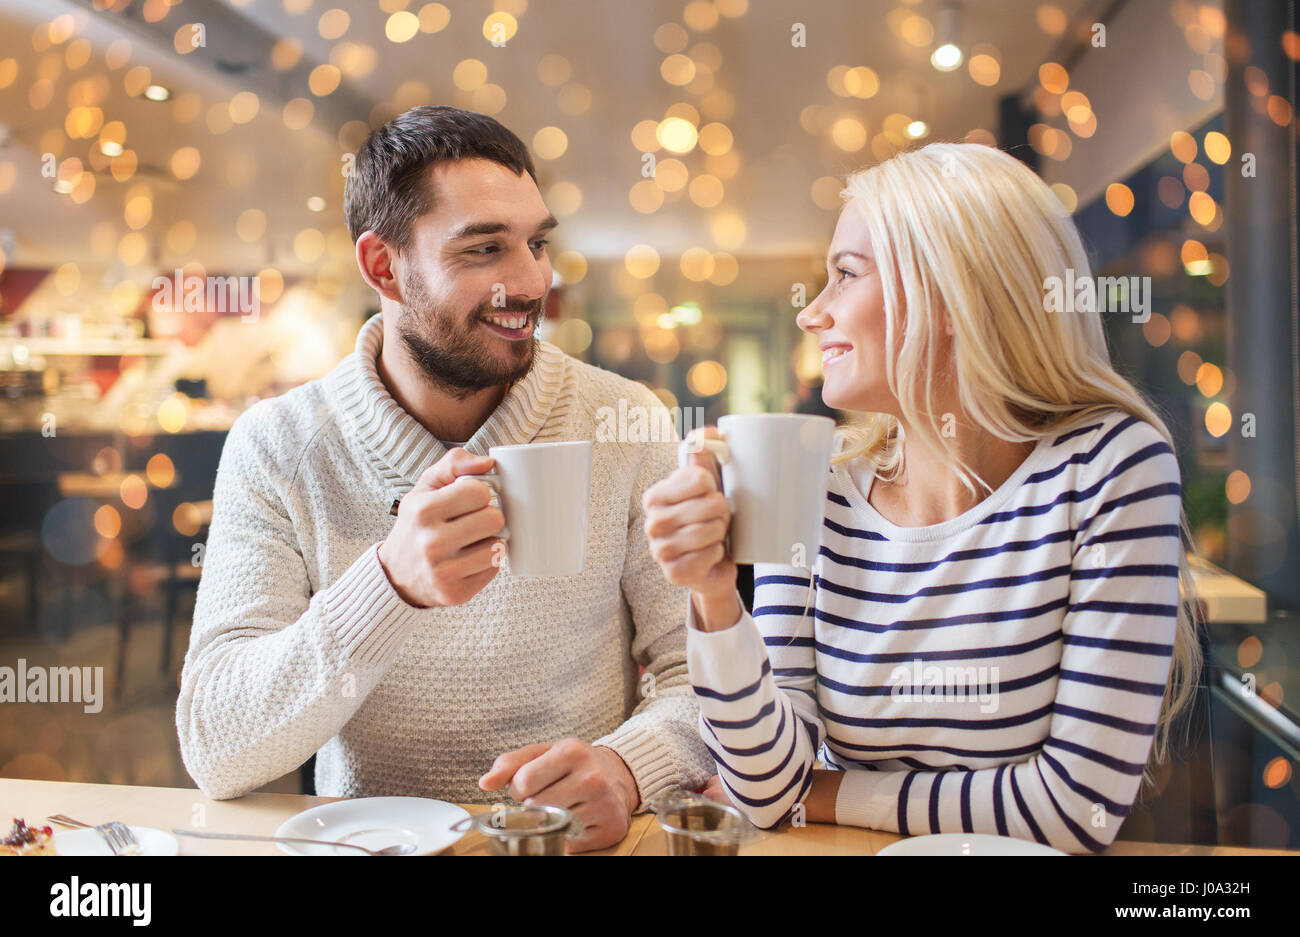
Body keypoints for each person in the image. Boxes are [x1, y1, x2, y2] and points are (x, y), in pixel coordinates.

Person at [176, 105, 712, 852]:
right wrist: (388, 584)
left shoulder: (625, 421)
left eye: (536, 243)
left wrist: (627, 769)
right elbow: (217, 750)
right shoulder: (278, 446)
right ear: (383, 267)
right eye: (485, 249)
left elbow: (703, 678)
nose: (530, 283)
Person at [642, 142, 1202, 854]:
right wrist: (714, 598)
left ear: (948, 294)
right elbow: (767, 787)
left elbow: (1078, 806)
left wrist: (830, 793)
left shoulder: (1109, 464)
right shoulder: (818, 489)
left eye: (845, 275)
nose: (814, 314)